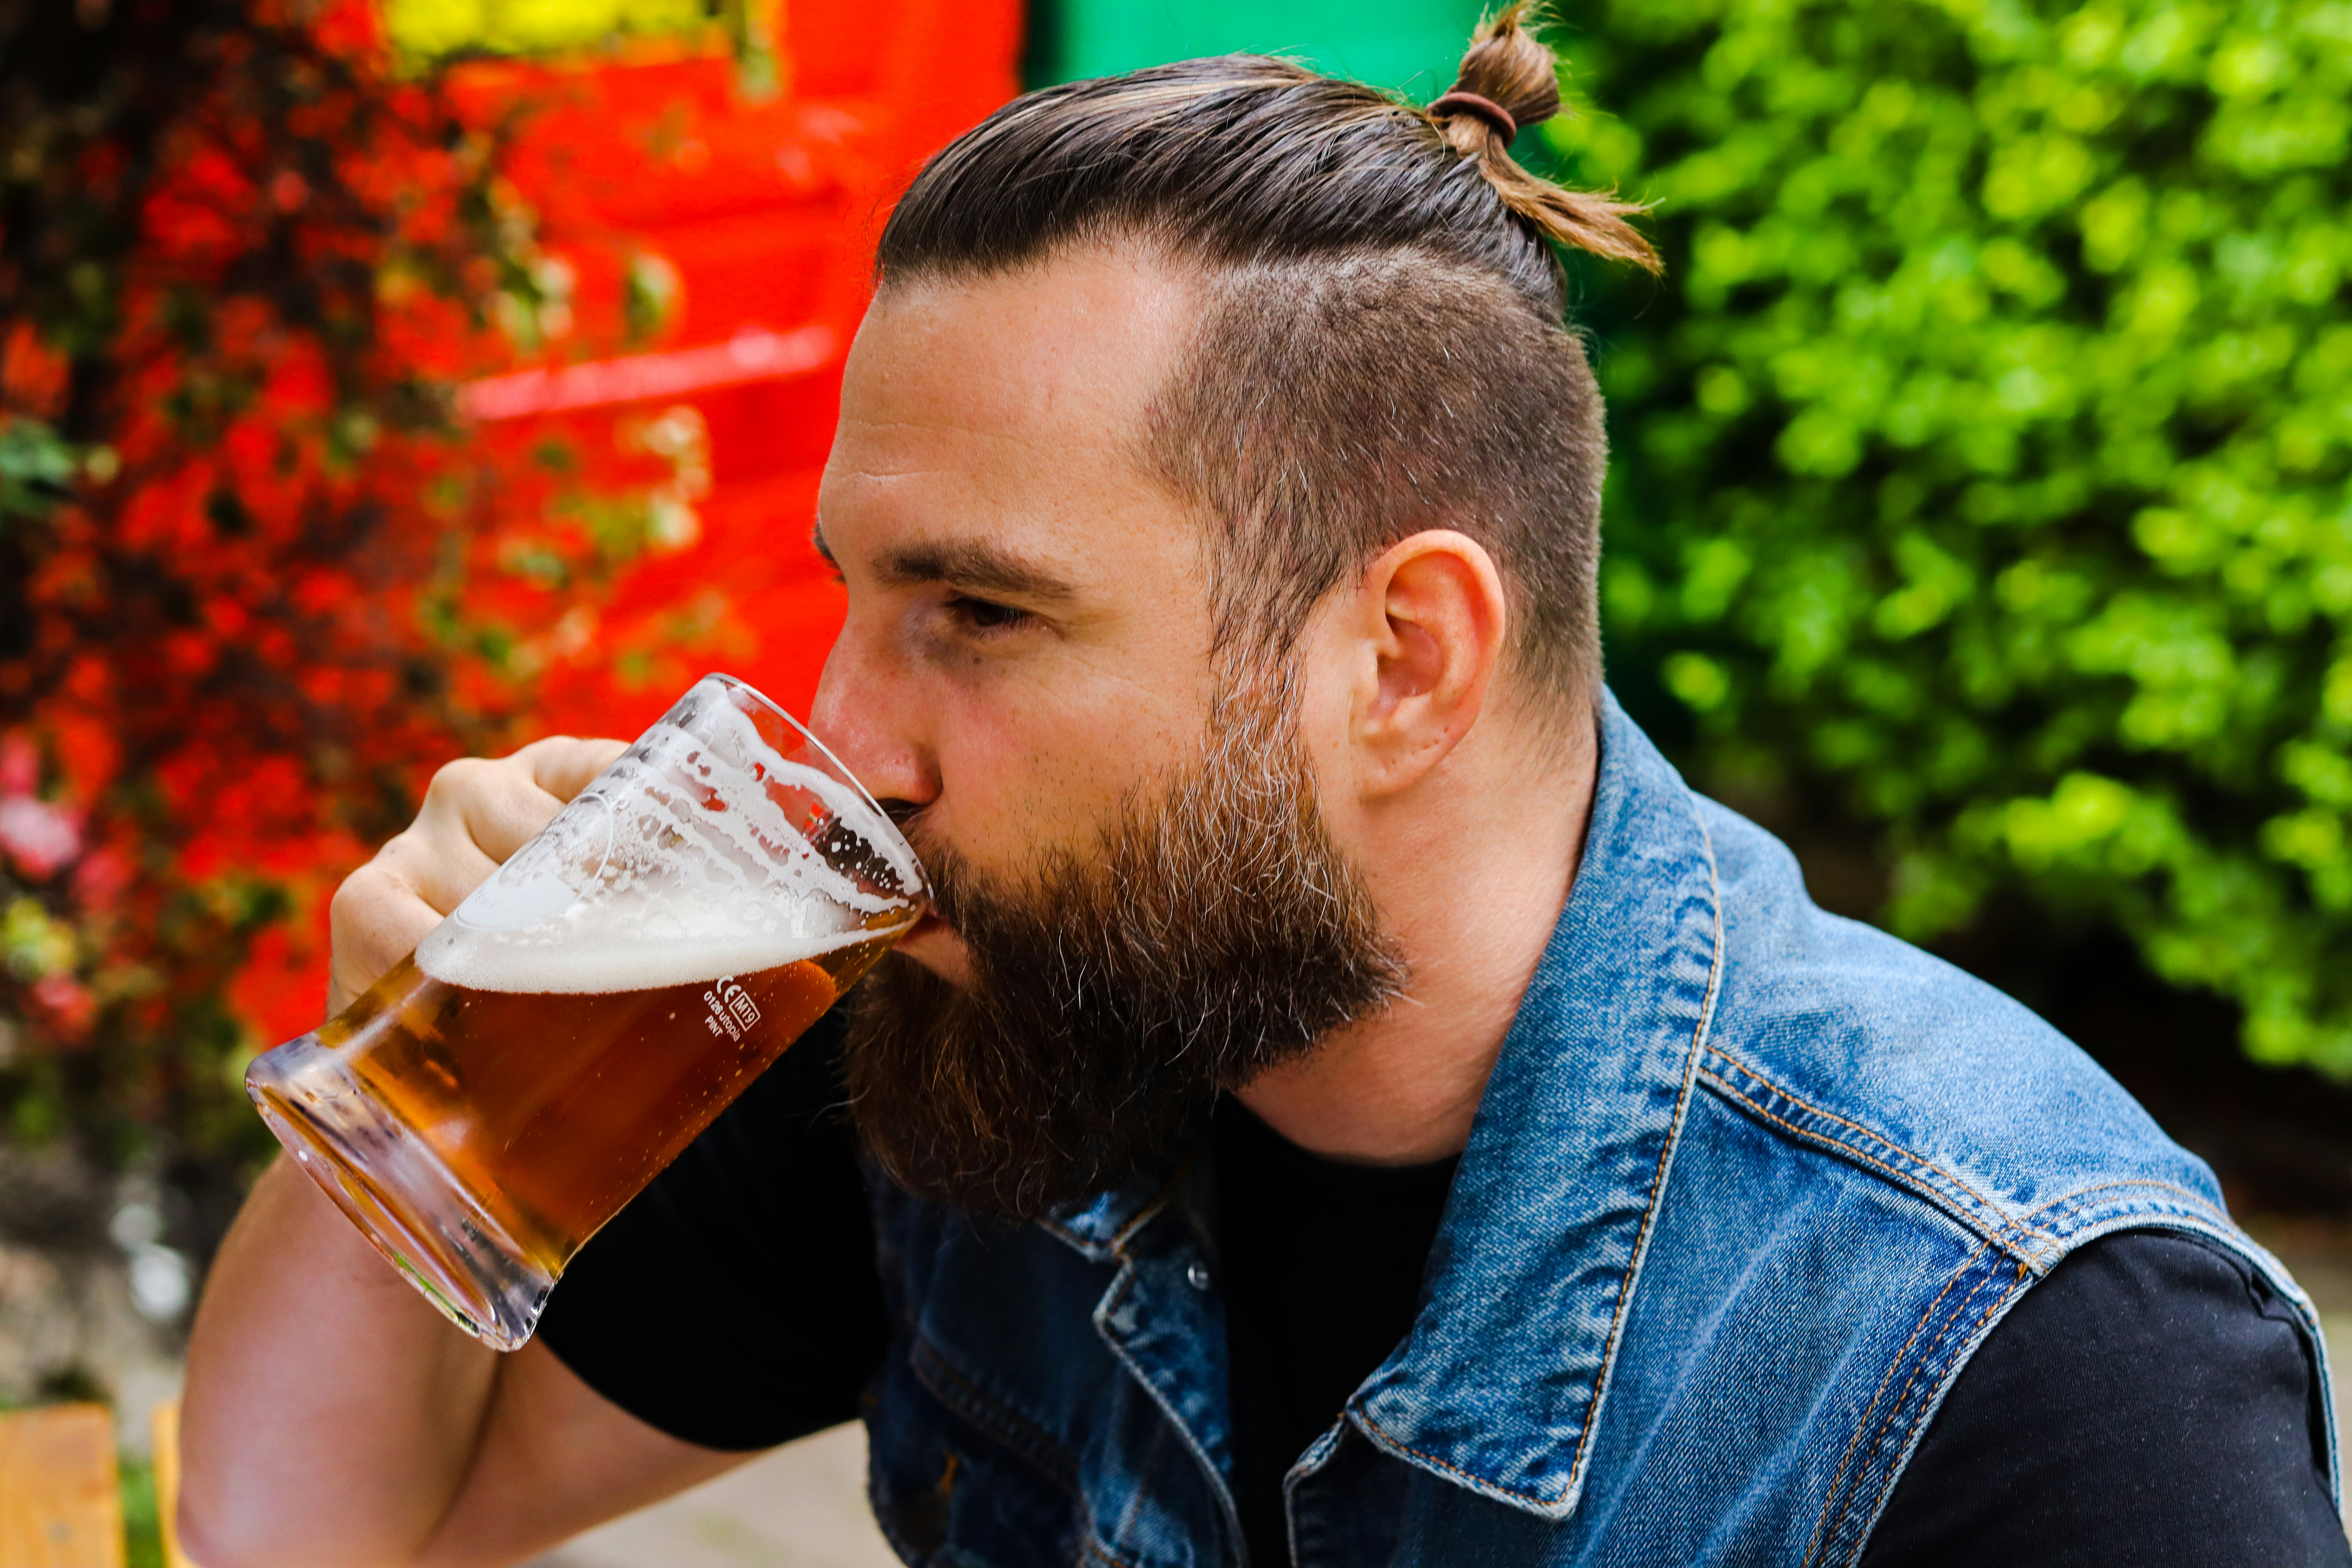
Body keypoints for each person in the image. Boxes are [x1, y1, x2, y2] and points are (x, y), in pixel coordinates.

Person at [180, 11, 2347, 1566]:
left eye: (981, 613)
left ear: (1402, 662)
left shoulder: (2036, 1361)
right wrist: (418, 1111)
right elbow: (314, 1529)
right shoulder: (991, 1016)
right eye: (858, 596)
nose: (853, 741)